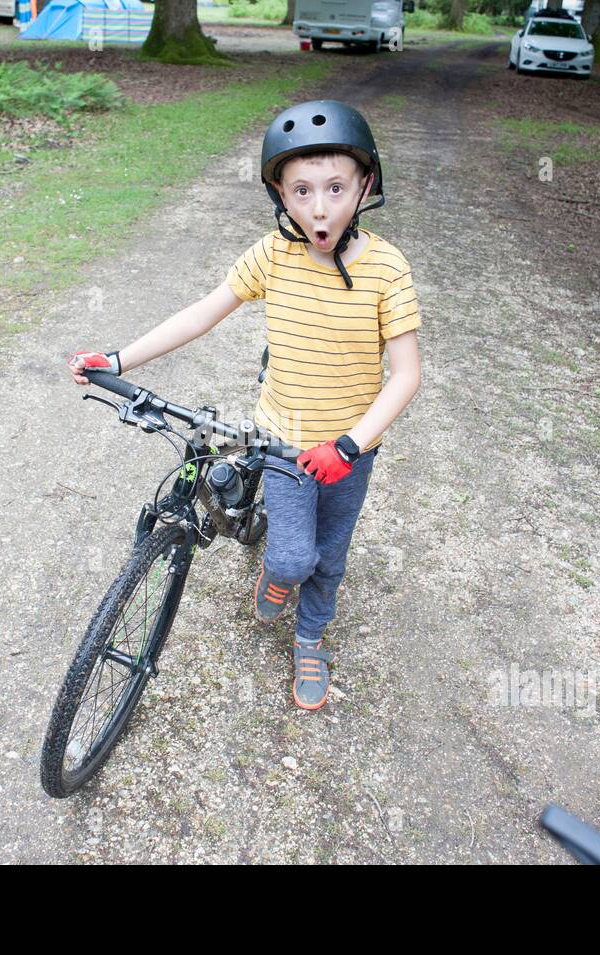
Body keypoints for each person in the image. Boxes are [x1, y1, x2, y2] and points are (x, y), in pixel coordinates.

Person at [68, 99, 422, 711]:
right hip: (282, 440)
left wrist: (349, 444)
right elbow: (203, 313)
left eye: (335, 187)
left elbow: (407, 375)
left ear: (366, 186)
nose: (319, 206)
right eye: (301, 190)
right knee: (291, 555)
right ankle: (279, 576)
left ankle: (311, 638)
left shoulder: (387, 269)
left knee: (330, 558)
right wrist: (119, 360)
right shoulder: (273, 255)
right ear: (280, 197)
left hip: (348, 452)